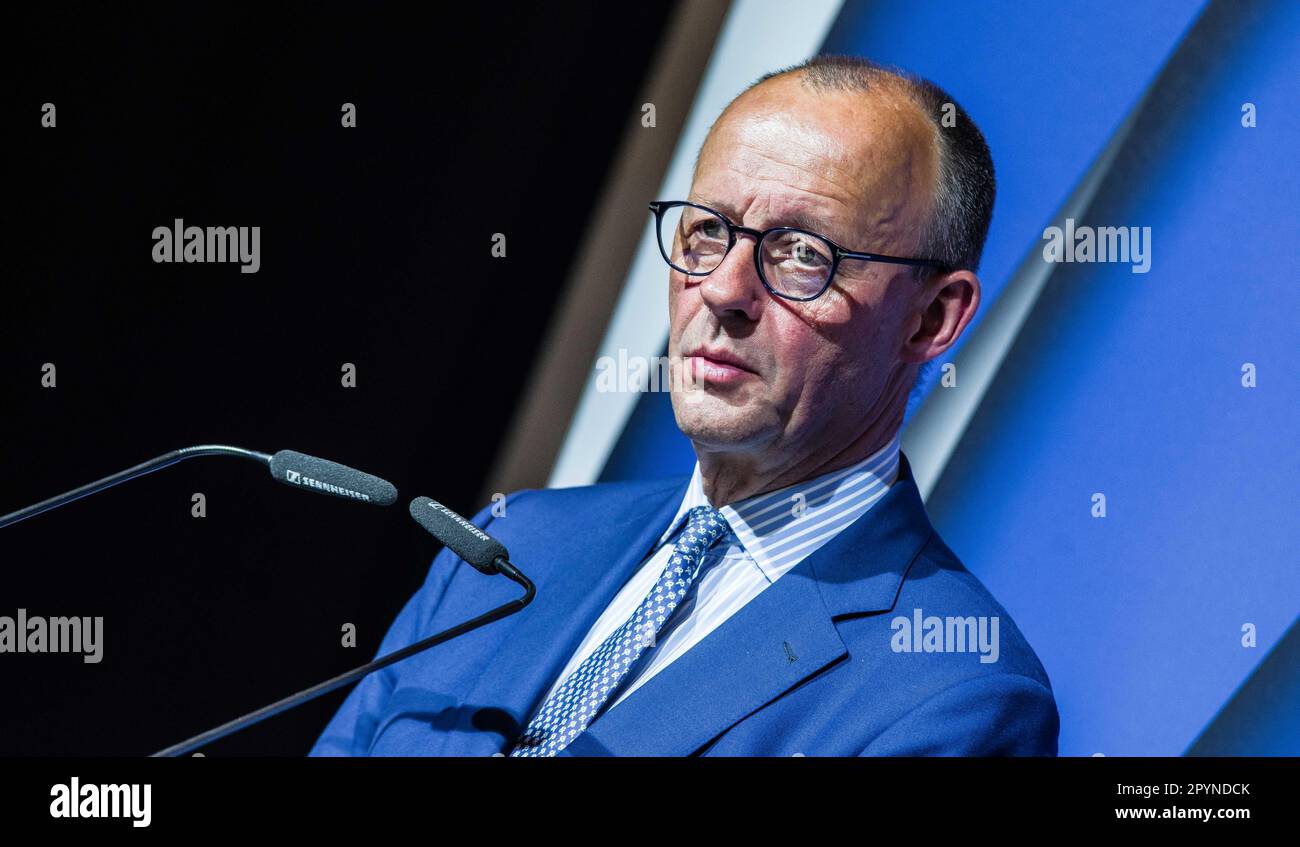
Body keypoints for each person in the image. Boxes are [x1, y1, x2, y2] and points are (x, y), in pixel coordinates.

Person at [311, 54, 1058, 757]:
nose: (725, 290)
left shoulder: (955, 694)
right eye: (707, 231)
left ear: (931, 320)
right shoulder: (514, 543)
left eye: (801, 252)